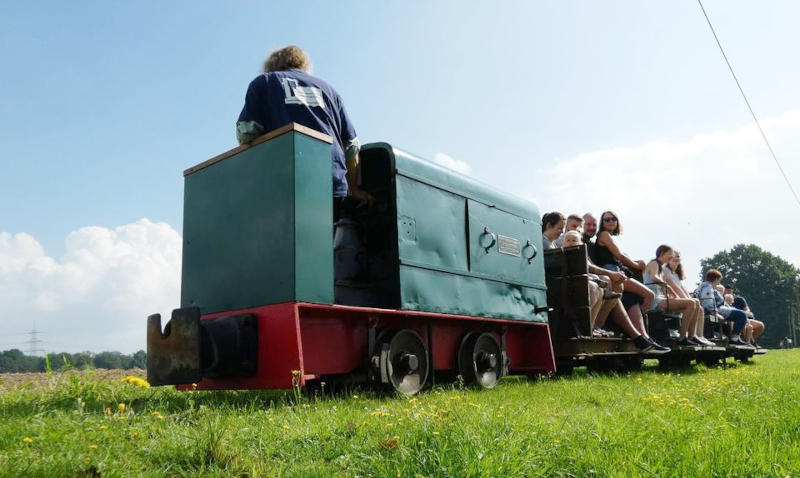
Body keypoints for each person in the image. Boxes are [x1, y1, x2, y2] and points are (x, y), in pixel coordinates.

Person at [236, 45, 373, 218]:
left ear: (271, 65)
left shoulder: (265, 82)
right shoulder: (330, 92)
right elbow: (351, 146)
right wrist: (353, 189)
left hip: (284, 183)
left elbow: (247, 132)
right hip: (332, 186)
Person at [643, 246, 713, 347]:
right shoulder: (654, 263)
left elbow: (662, 287)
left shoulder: (661, 268)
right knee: (691, 303)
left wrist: (670, 295)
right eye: (669, 254)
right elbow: (654, 278)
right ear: (661, 253)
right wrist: (668, 288)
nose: (671, 256)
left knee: (696, 302)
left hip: (661, 298)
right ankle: (682, 337)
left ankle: (692, 336)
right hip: (654, 300)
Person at [594, 211, 654, 312]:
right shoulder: (604, 234)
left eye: (614, 219)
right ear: (602, 223)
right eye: (607, 219)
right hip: (612, 271)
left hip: (615, 269)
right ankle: (640, 317)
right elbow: (620, 256)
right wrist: (637, 266)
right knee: (650, 295)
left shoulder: (607, 236)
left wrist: (635, 262)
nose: (611, 222)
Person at [695, 269, 750, 346]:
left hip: (717, 308)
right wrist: (715, 313)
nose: (719, 282)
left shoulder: (703, 286)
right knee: (742, 314)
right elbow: (708, 303)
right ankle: (734, 339)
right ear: (716, 279)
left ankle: (733, 337)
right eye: (719, 280)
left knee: (739, 313)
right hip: (715, 311)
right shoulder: (708, 287)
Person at [663, 250, 709, 342]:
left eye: (678, 256)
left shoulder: (675, 274)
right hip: (668, 298)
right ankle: (685, 335)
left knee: (699, 307)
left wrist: (692, 301)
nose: (676, 258)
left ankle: (697, 335)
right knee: (693, 303)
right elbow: (675, 288)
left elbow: (681, 288)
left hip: (675, 297)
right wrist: (690, 301)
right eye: (673, 256)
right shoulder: (665, 270)